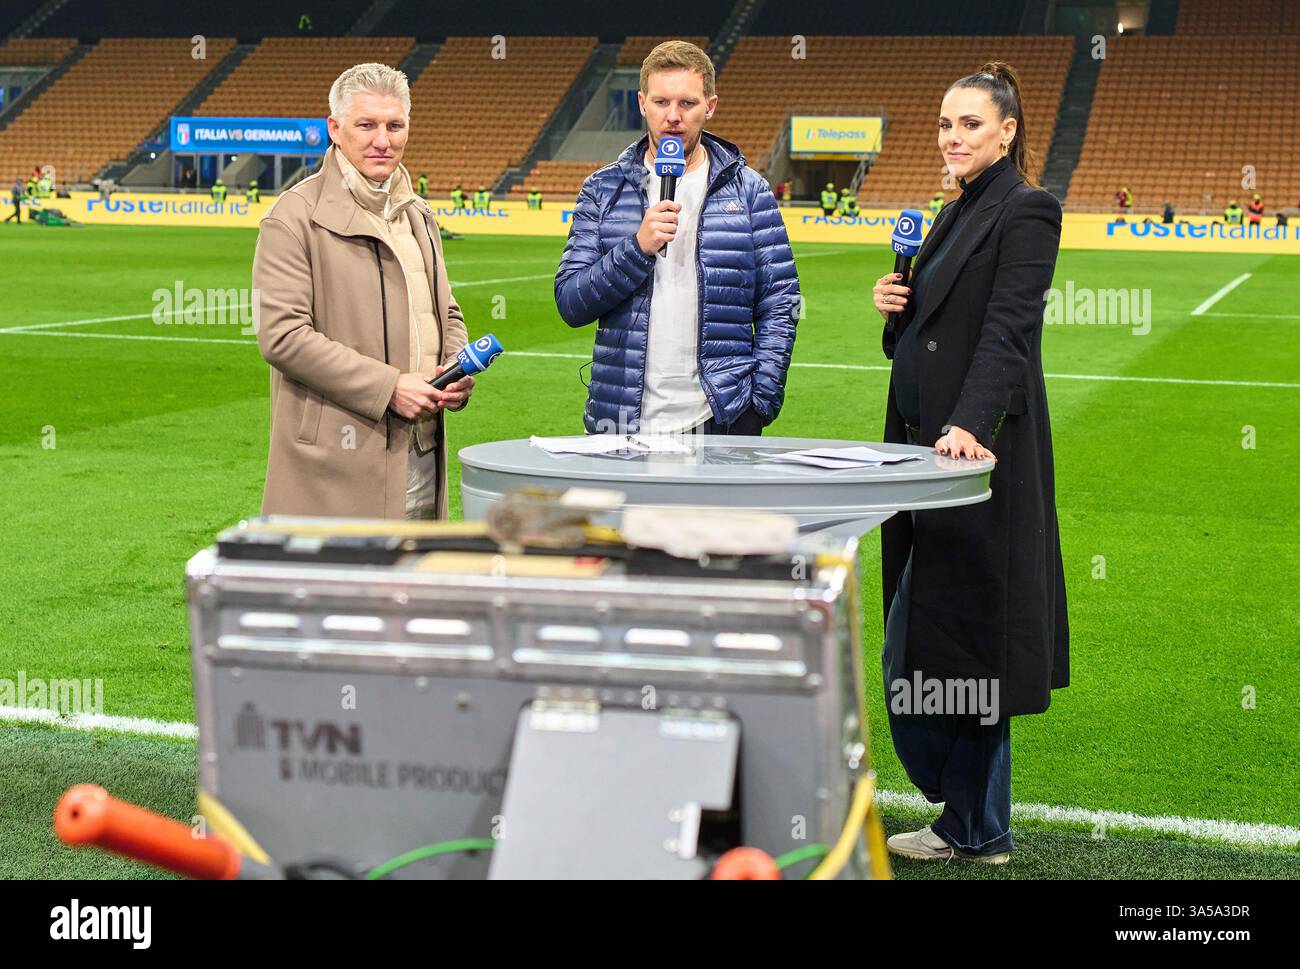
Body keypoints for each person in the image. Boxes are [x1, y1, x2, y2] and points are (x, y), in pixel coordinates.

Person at [870, 61, 1067, 864]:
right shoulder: (951, 209)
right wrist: (896, 310)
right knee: (933, 638)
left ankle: (973, 824)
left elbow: (1008, 330)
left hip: (976, 458)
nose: (953, 138)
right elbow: (926, 335)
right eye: (946, 124)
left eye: (971, 125)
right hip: (925, 454)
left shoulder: (1026, 211)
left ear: (1008, 130)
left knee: (965, 642)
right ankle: (971, 820)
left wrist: (967, 423)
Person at [252, 62, 474, 519]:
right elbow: (282, 336)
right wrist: (388, 387)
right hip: (338, 465)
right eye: (366, 125)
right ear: (334, 128)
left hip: (422, 452)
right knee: (344, 588)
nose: (382, 140)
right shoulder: (294, 217)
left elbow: (446, 312)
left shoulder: (418, 214)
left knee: (414, 585)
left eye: (395, 125)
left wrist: (456, 367)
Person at [555, 40, 799, 437]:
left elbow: (780, 302)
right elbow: (570, 302)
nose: (673, 116)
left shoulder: (750, 191)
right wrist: (636, 249)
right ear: (641, 104)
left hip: (721, 417)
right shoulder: (602, 189)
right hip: (621, 417)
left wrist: (759, 402)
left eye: (687, 103)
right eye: (661, 102)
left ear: (711, 106)